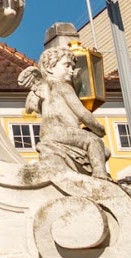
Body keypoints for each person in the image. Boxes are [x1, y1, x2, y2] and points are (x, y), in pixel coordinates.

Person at [19, 47, 109, 180]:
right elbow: (82, 113)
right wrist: (98, 128)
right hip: (61, 131)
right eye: (66, 66)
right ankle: (100, 175)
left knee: (105, 152)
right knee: (94, 141)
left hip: (47, 134)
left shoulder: (45, 88)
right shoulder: (62, 86)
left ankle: (82, 167)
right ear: (50, 68)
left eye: (73, 66)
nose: (71, 70)